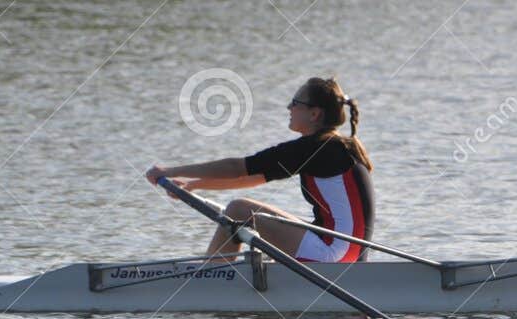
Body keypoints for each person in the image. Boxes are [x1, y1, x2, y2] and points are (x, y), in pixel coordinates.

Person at [145, 77, 374, 261]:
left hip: (334, 255)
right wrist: (193, 186)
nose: (289, 108)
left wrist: (169, 171)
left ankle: (211, 278)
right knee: (242, 209)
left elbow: (238, 167)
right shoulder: (337, 146)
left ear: (314, 114)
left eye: (295, 103)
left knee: (237, 210)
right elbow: (253, 177)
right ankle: (219, 272)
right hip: (350, 255)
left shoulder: (316, 148)